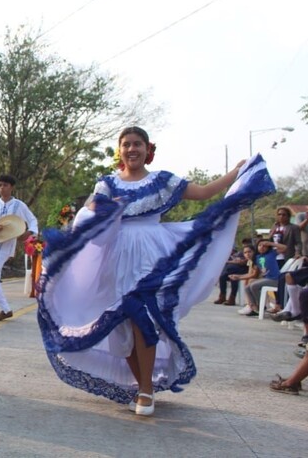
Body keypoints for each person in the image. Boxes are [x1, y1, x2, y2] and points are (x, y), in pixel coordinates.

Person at [37, 126, 274, 416]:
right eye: (126, 144)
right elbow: (89, 211)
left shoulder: (162, 181)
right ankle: (141, 386)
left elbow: (202, 193)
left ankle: (146, 390)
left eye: (137, 144)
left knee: (143, 319)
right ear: (120, 150)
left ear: (148, 149)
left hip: (152, 255)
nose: (132, 149)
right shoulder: (108, 183)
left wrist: (235, 174)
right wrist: (98, 212)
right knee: (121, 326)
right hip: (117, 258)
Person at [0, 174, 38, 322]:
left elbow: (32, 219)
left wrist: (30, 232)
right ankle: (6, 309)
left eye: (5, 185)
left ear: (11, 187)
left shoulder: (18, 205)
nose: (2, 188)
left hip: (7, 243)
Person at [235, 240, 286, 316]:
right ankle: (254, 307)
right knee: (247, 287)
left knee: (254, 286)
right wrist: (238, 277)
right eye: (260, 245)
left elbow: (284, 247)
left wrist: (270, 243)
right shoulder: (257, 257)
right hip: (266, 279)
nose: (262, 247)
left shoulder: (272, 254)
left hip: (275, 279)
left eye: (264, 246)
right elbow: (253, 273)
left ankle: (261, 306)